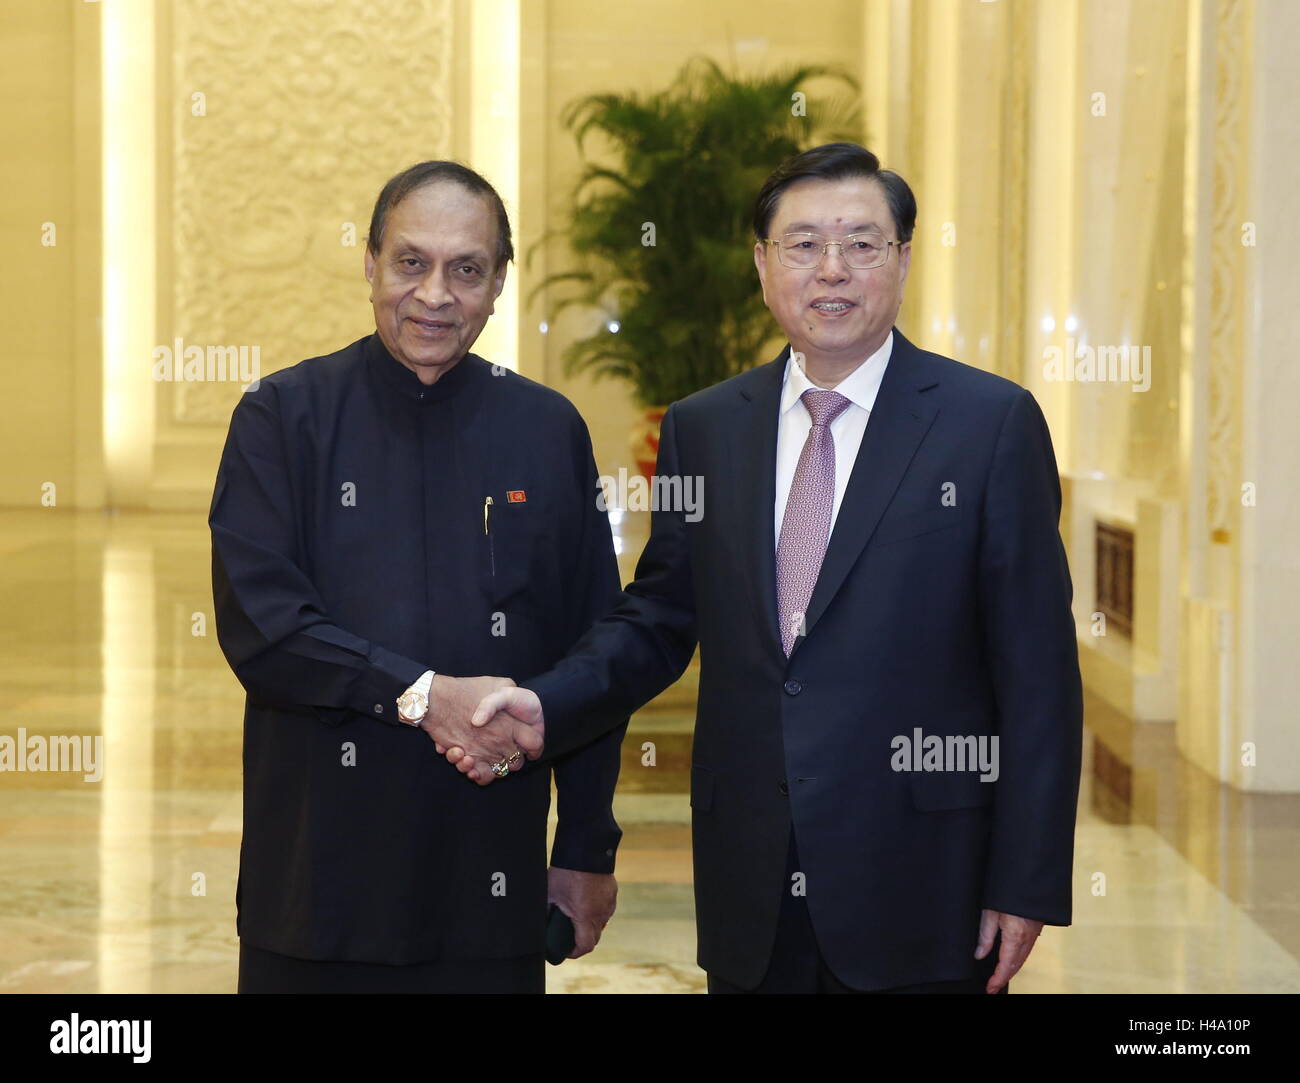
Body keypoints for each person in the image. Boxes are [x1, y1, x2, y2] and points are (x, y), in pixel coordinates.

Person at [466, 143, 1084, 994]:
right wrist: (547, 701)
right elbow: (658, 617)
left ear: (902, 260)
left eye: (863, 243)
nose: (832, 269)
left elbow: (1040, 675)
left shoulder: (991, 425)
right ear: (764, 265)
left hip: (926, 880)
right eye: (803, 244)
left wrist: (1026, 880)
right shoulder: (705, 428)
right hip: (751, 879)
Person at [210, 160, 625, 994]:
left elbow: (596, 650)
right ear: (369, 264)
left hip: (489, 887)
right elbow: (266, 629)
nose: (435, 293)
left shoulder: (547, 429)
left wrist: (585, 848)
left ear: (499, 284)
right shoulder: (282, 417)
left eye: (466, 269)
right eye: (411, 262)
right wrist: (424, 693)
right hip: (318, 888)